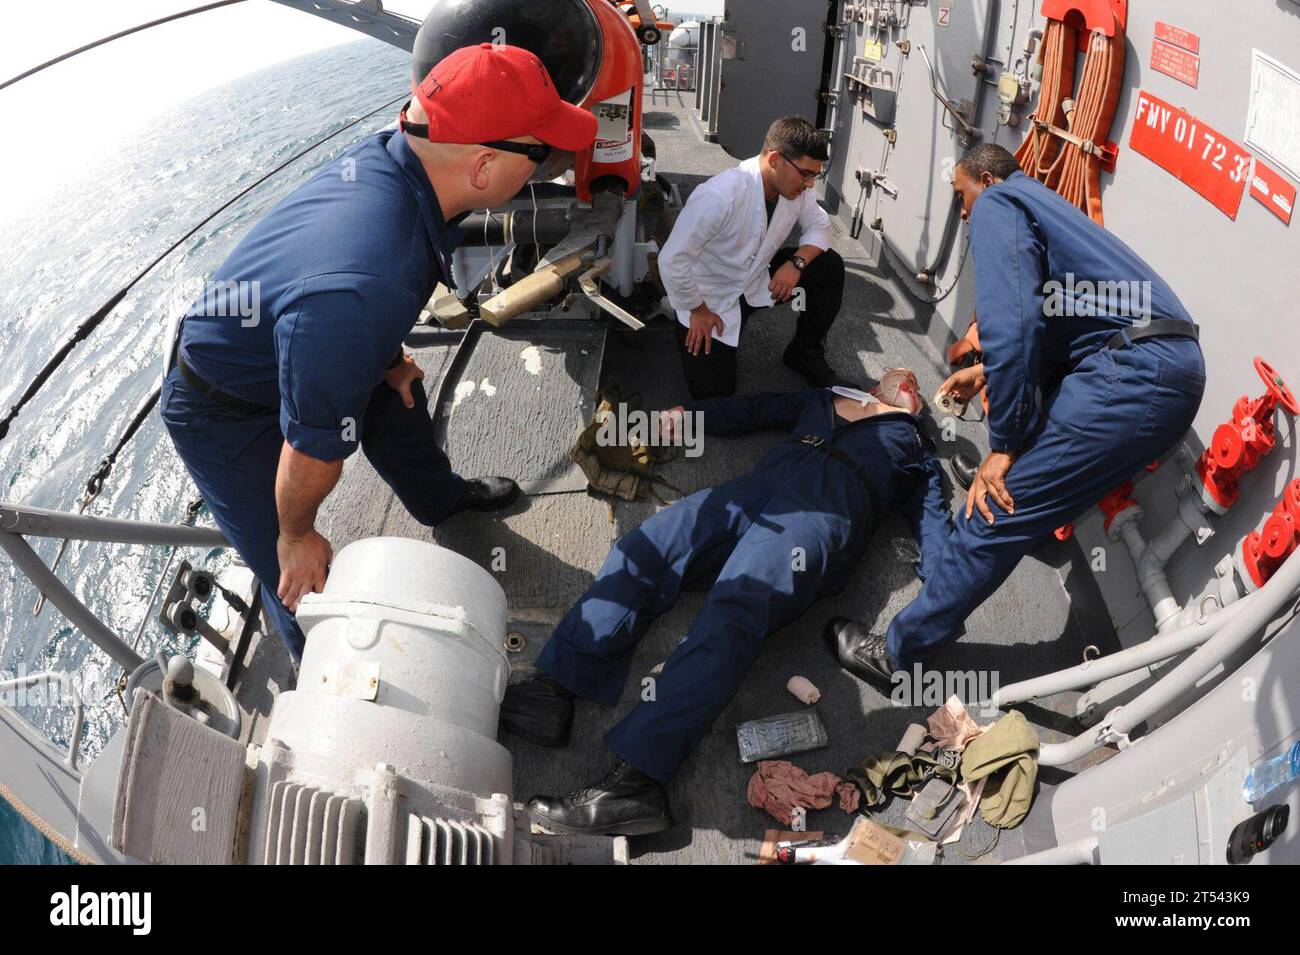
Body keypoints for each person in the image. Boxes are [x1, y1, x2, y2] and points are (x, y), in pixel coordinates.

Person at [160, 43, 597, 660]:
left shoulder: (398, 162)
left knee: (399, 396)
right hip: (224, 406)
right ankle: (319, 675)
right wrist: (297, 530)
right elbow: (311, 446)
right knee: (296, 575)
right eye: (539, 153)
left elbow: (350, 298)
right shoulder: (365, 282)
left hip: (311, 333)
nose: (545, 166)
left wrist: (386, 363)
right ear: (482, 166)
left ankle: (440, 498)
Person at [501, 371, 951, 835]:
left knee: (733, 613)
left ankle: (636, 782)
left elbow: (938, 540)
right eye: (900, 376)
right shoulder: (831, 396)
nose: (909, 382)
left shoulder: (917, 451)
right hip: (753, 494)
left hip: (817, 524)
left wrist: (937, 611)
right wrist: (688, 416)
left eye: (915, 386)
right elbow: (757, 409)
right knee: (650, 545)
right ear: (878, 384)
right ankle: (552, 689)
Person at [826, 144, 1206, 687]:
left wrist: (1002, 446)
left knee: (996, 507)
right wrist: (985, 375)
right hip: (1165, 370)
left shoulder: (998, 204)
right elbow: (1062, 319)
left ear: (985, 179)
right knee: (1021, 497)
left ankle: (896, 656)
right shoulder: (1045, 203)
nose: (963, 211)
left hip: (1135, 374)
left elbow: (1016, 322)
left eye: (961, 195)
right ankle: (970, 569)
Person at [658, 116, 848, 399]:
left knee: (828, 266)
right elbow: (672, 260)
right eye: (805, 174)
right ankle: (680, 320)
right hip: (711, 298)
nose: (810, 185)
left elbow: (819, 226)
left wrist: (796, 264)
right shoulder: (719, 196)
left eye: (814, 176)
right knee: (713, 395)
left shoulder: (796, 189)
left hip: (757, 281)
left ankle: (803, 353)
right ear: (775, 160)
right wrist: (696, 309)